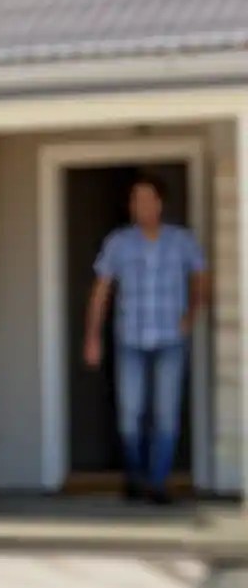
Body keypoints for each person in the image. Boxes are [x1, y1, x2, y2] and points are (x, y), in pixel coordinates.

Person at [84, 175, 208, 505]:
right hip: (130, 340)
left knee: (166, 414)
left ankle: (157, 483)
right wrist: (92, 337)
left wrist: (191, 315)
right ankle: (135, 476)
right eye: (135, 200)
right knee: (130, 415)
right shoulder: (118, 243)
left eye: (146, 199)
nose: (140, 206)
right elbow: (101, 291)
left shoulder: (182, 241)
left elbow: (200, 278)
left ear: (159, 203)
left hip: (170, 339)